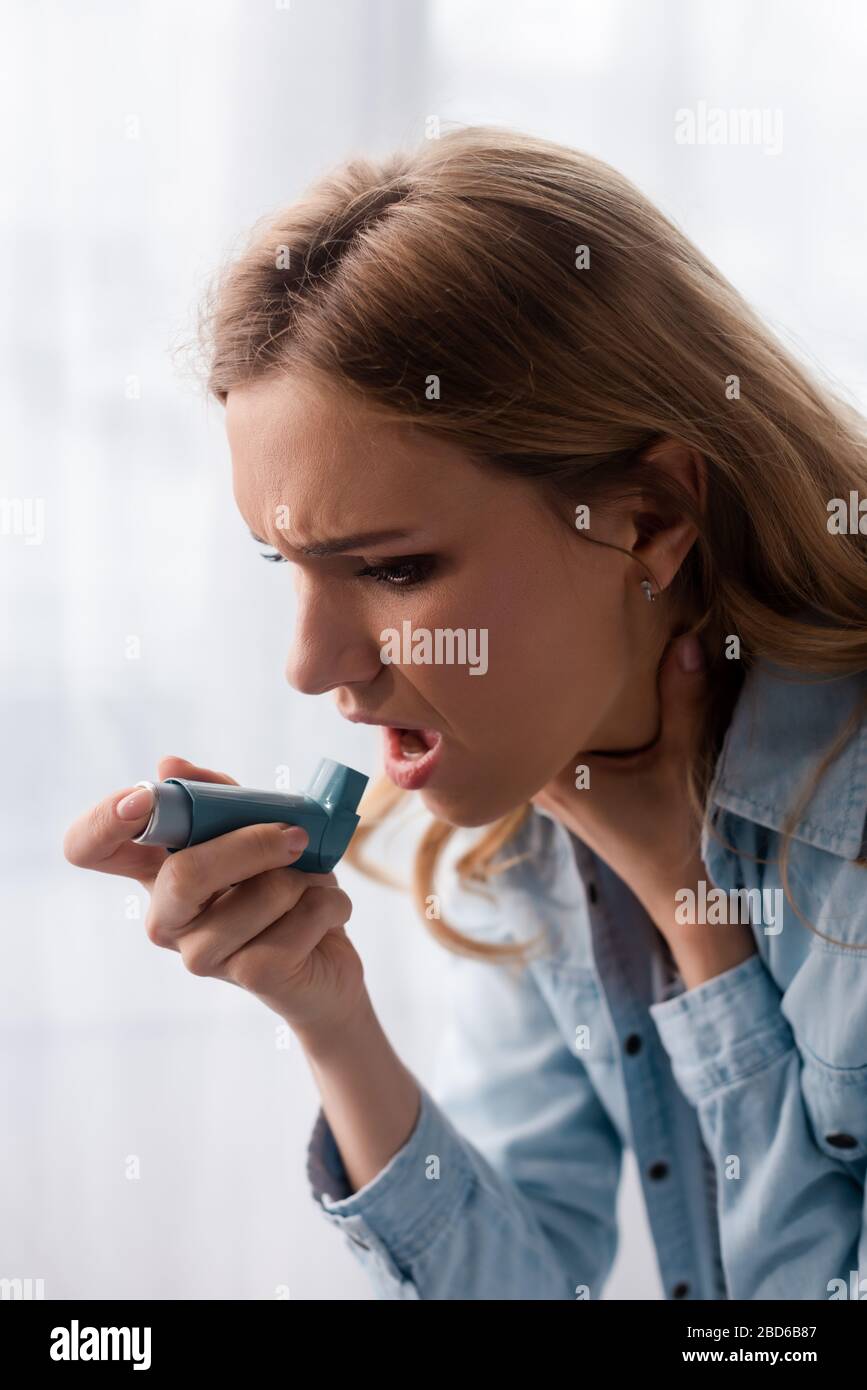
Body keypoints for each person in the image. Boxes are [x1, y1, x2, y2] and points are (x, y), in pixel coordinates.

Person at [63, 126, 867, 1301]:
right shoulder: (533, 814)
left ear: (644, 518)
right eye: (283, 564)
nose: (308, 663)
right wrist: (332, 1023)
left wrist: (691, 922)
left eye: (390, 569)